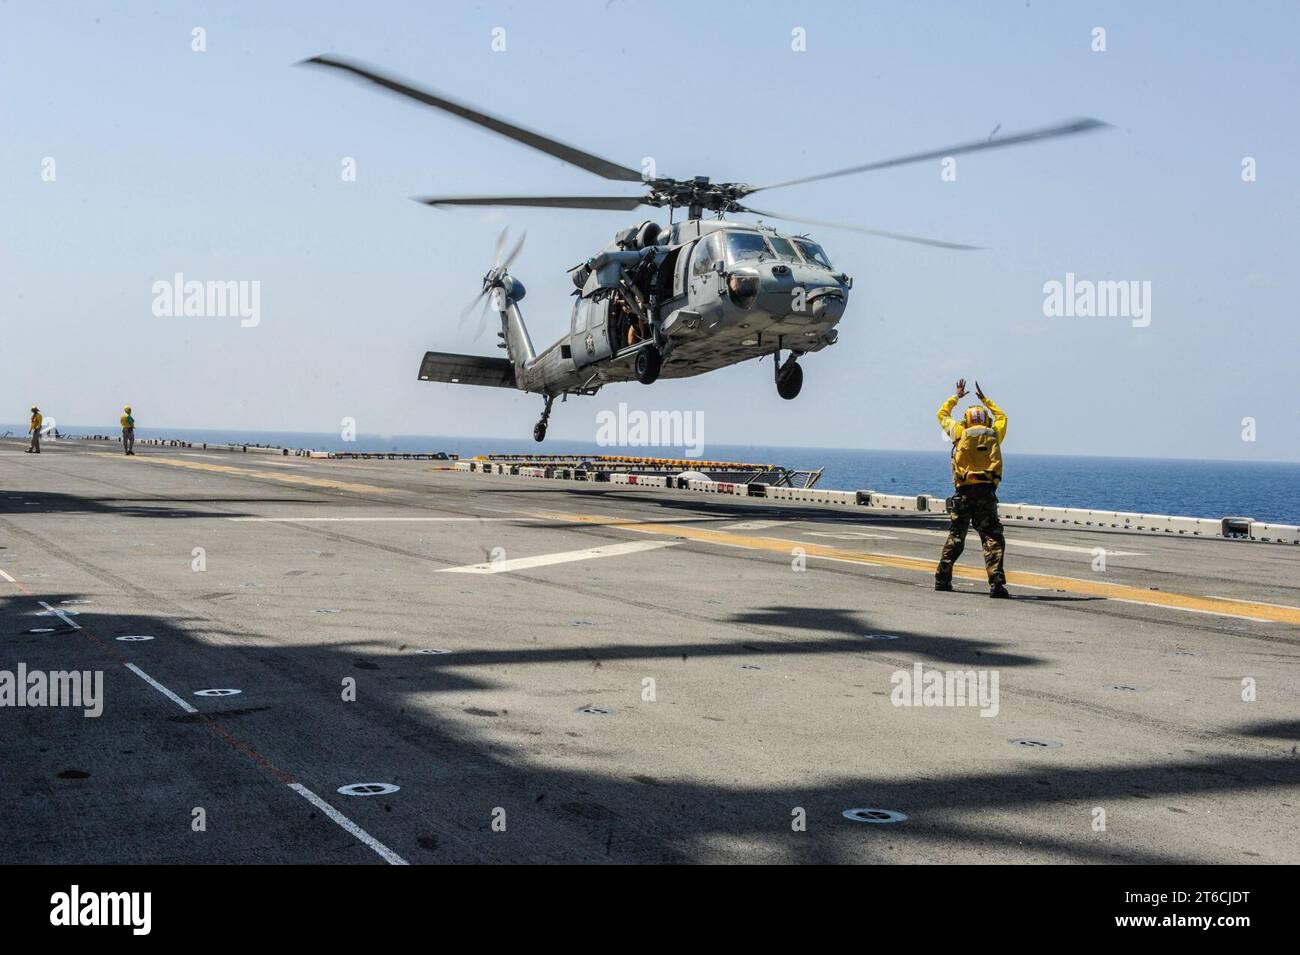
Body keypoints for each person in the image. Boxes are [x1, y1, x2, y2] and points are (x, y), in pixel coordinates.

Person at [935, 379, 1009, 597]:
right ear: (985, 419)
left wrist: (956, 397)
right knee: (992, 538)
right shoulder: (994, 433)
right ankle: (996, 583)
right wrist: (985, 399)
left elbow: (942, 414)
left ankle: (942, 578)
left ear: (966, 421)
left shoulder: (959, 432)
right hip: (986, 493)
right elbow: (1003, 417)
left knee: (956, 538)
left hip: (964, 493)